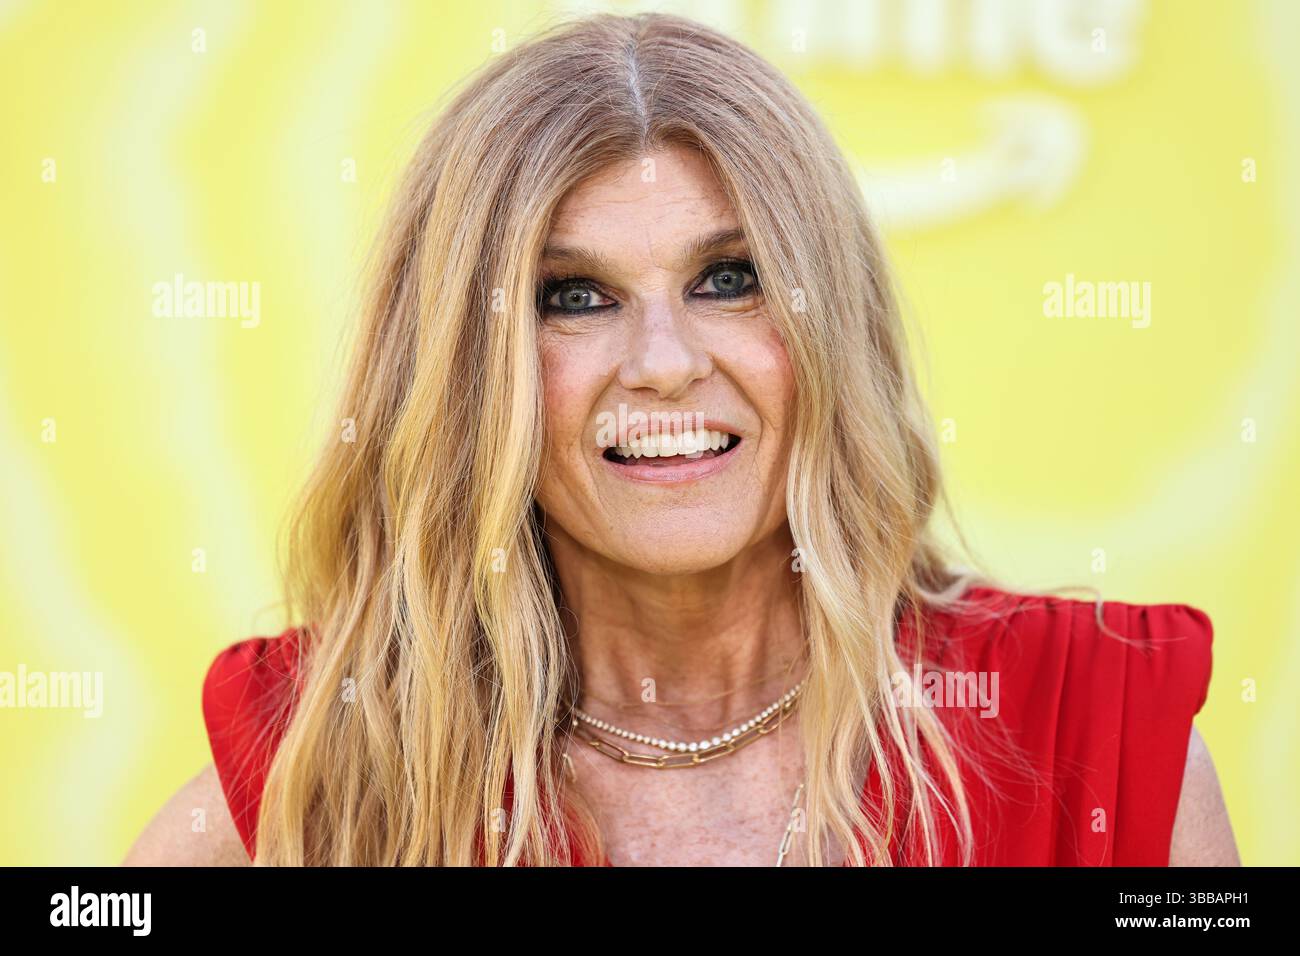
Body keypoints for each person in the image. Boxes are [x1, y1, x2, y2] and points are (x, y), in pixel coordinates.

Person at [125, 11, 1238, 867]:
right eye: (572, 295)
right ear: (463, 370)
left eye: (728, 279)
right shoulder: (326, 767)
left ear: (829, 326)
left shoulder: (1102, 733)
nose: (663, 358)